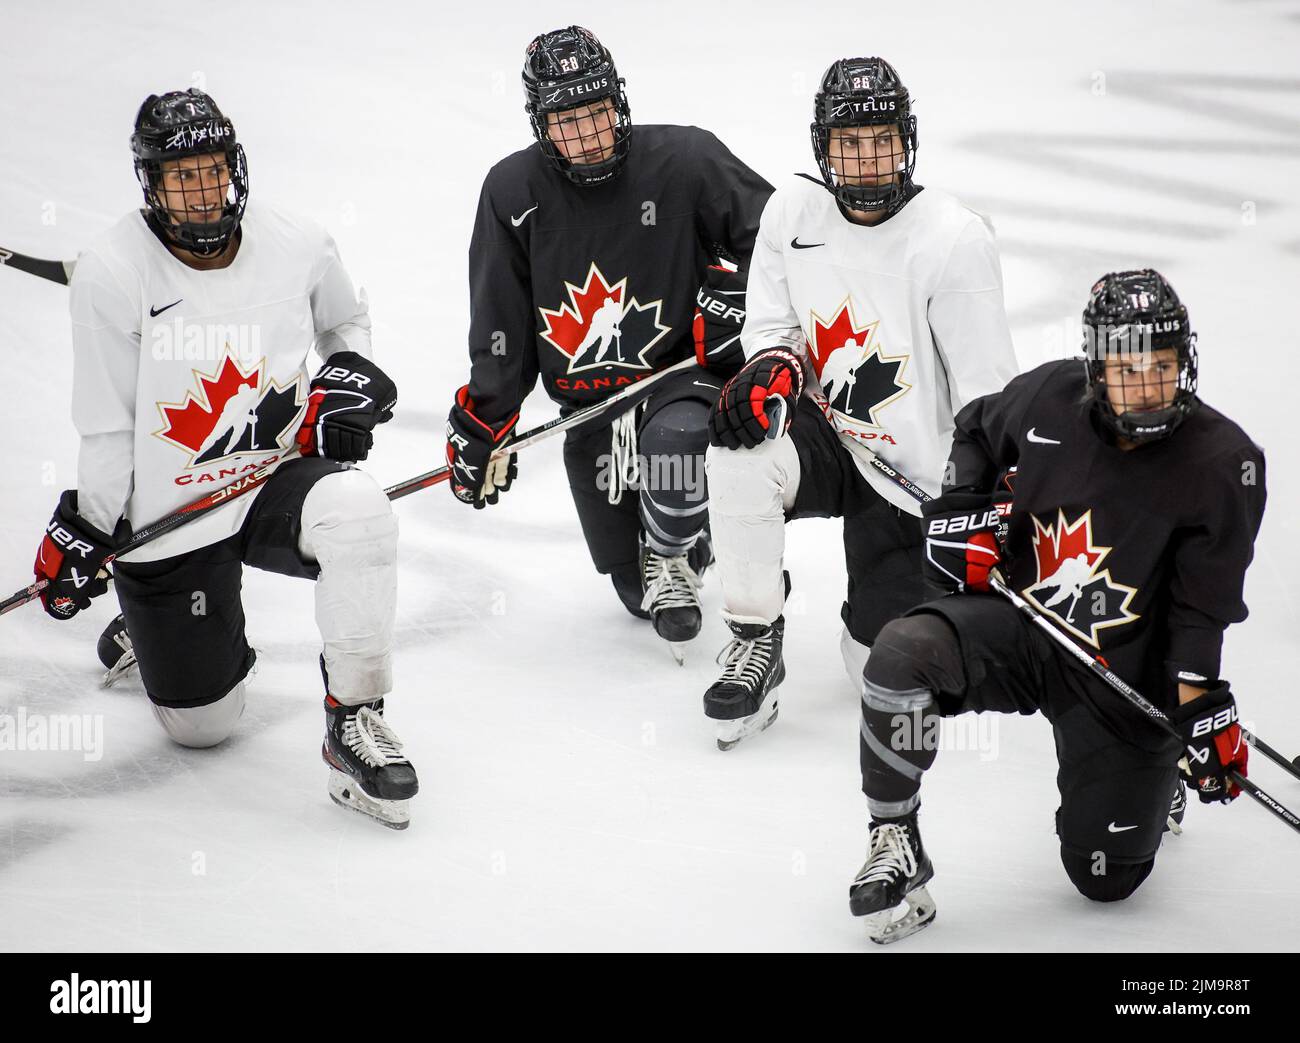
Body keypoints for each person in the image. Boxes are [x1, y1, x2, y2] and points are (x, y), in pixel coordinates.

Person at [33, 89, 417, 829]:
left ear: (237, 168)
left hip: (273, 477)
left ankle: (354, 723)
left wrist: (346, 375)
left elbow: (344, 321)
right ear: (151, 186)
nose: (204, 192)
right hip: (170, 512)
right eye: (183, 177)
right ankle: (150, 633)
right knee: (204, 727)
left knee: (362, 515)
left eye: (214, 171)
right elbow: (108, 430)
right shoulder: (115, 273)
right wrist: (90, 528)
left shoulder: (298, 240)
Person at [849, 269, 1266, 942]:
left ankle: (1156, 783)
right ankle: (895, 837)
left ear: (1185, 362)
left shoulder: (1225, 463)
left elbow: (1201, 609)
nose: (1147, 386)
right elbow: (975, 432)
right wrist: (962, 513)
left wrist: (1195, 706)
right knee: (902, 654)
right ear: (1095, 368)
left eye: (1161, 367)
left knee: (1103, 876)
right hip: (1019, 627)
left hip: (1122, 678)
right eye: (1127, 371)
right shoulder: (1050, 395)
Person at [702, 57, 1018, 749]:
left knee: (877, 665)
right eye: (850, 143)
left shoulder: (952, 239)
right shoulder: (794, 210)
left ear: (908, 141)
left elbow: (987, 399)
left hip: (916, 484)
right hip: (830, 436)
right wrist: (774, 367)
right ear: (824, 148)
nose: (868, 159)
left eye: (882, 140)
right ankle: (756, 636)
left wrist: (978, 501)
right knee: (736, 447)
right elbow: (774, 328)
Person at [444, 25, 773, 658]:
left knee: (673, 443)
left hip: (684, 376)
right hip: (591, 405)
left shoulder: (686, 161)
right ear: (541, 124)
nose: (588, 134)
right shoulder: (512, 193)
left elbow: (778, 240)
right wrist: (488, 417)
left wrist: (737, 296)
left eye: (597, 113)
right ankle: (679, 543)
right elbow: (501, 319)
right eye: (567, 121)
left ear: (619, 101)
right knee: (630, 589)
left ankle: (675, 551)